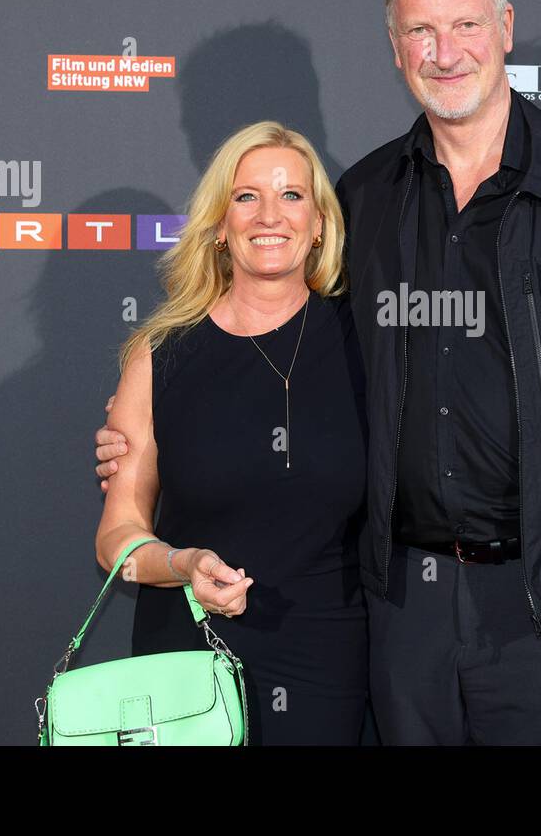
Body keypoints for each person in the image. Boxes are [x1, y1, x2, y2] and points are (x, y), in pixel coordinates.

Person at [99, 0, 541, 745]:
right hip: (400, 609)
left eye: (464, 25)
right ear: (394, 47)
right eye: (420, 30)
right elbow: (295, 355)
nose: (444, 51)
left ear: (505, 28)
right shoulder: (368, 197)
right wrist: (153, 417)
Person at [93, 120, 368, 745]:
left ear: (321, 222)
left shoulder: (369, 344)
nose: (270, 215)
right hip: (188, 665)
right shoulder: (160, 355)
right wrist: (183, 563)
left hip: (329, 662)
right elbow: (116, 542)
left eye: (292, 196)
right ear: (220, 225)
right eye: (247, 196)